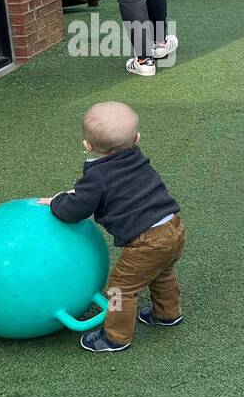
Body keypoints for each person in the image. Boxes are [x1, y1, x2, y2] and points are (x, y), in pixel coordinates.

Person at [39, 102, 185, 354]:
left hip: (147, 242)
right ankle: (167, 313)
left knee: (121, 288)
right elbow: (118, 189)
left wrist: (59, 201)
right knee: (161, 273)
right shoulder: (137, 158)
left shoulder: (97, 177)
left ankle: (115, 337)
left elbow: (73, 211)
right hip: (173, 227)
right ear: (137, 138)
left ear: (87, 146)